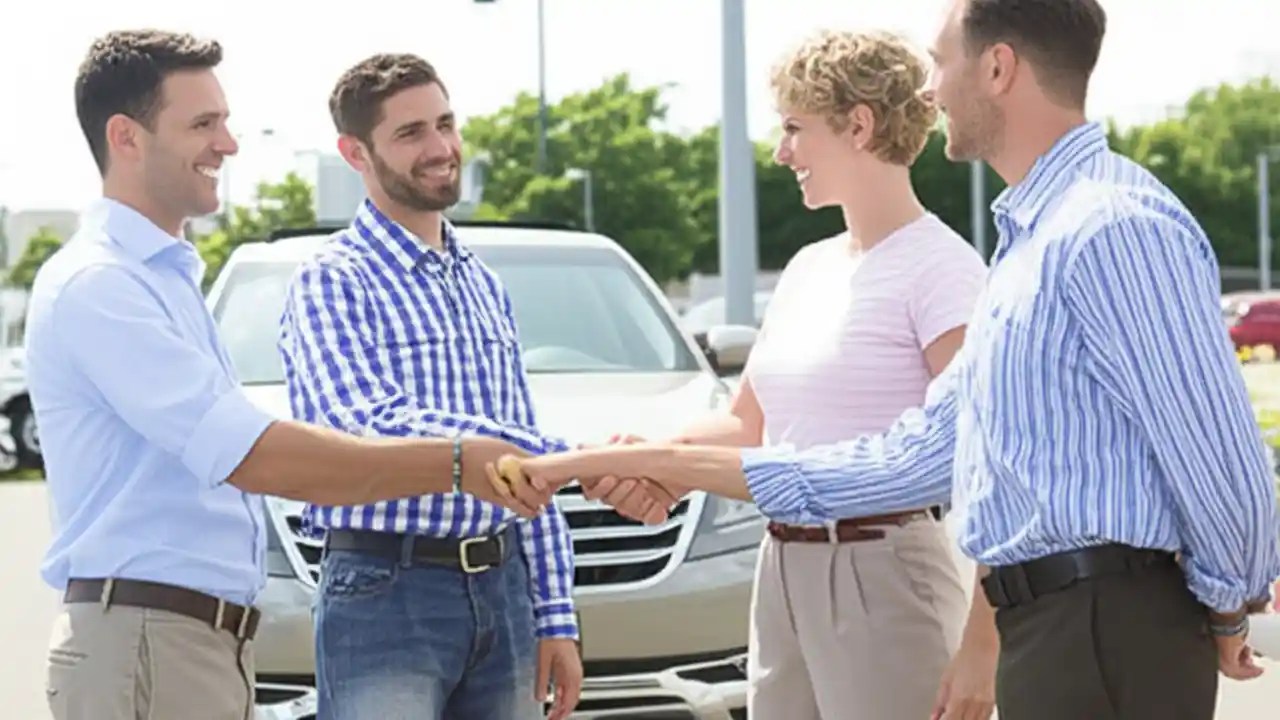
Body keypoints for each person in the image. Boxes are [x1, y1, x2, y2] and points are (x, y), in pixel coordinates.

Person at [493, 0, 1280, 718]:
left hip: (1101, 616)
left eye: (940, 62)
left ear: (999, 67)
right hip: (1050, 619)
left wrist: (1223, 603)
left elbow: (1218, 458)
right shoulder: (1029, 249)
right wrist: (637, 460)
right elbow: (906, 457)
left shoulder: (1109, 228)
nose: (929, 91)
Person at [31, 30, 554, 720]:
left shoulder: (162, 277)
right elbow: (254, 455)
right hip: (145, 643)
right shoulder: (102, 286)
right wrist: (463, 462)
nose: (229, 144)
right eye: (202, 124)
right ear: (126, 137)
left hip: (186, 642)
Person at [600, 29, 992, 720]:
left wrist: (983, 650)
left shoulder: (945, 270)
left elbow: (989, 457)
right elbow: (749, 424)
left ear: (859, 125)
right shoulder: (809, 267)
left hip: (886, 571)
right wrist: (647, 460)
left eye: (794, 128)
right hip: (780, 566)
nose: (782, 153)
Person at [276, 53, 582, 720]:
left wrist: (556, 613)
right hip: (388, 593)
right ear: (354, 152)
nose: (442, 148)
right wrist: (565, 455)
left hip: (505, 590)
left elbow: (523, 465)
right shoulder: (334, 280)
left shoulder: (482, 282)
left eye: (446, 124)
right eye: (411, 133)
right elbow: (357, 423)